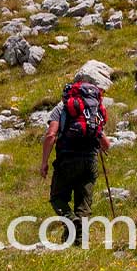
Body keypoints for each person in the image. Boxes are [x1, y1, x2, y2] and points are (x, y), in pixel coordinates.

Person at [39, 79, 110, 245]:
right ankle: (79, 243)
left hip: (67, 160)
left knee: (57, 198)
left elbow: (51, 135)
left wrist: (44, 162)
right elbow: (106, 145)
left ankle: (71, 221)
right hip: (90, 161)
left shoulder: (61, 109)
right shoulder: (93, 112)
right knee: (83, 204)